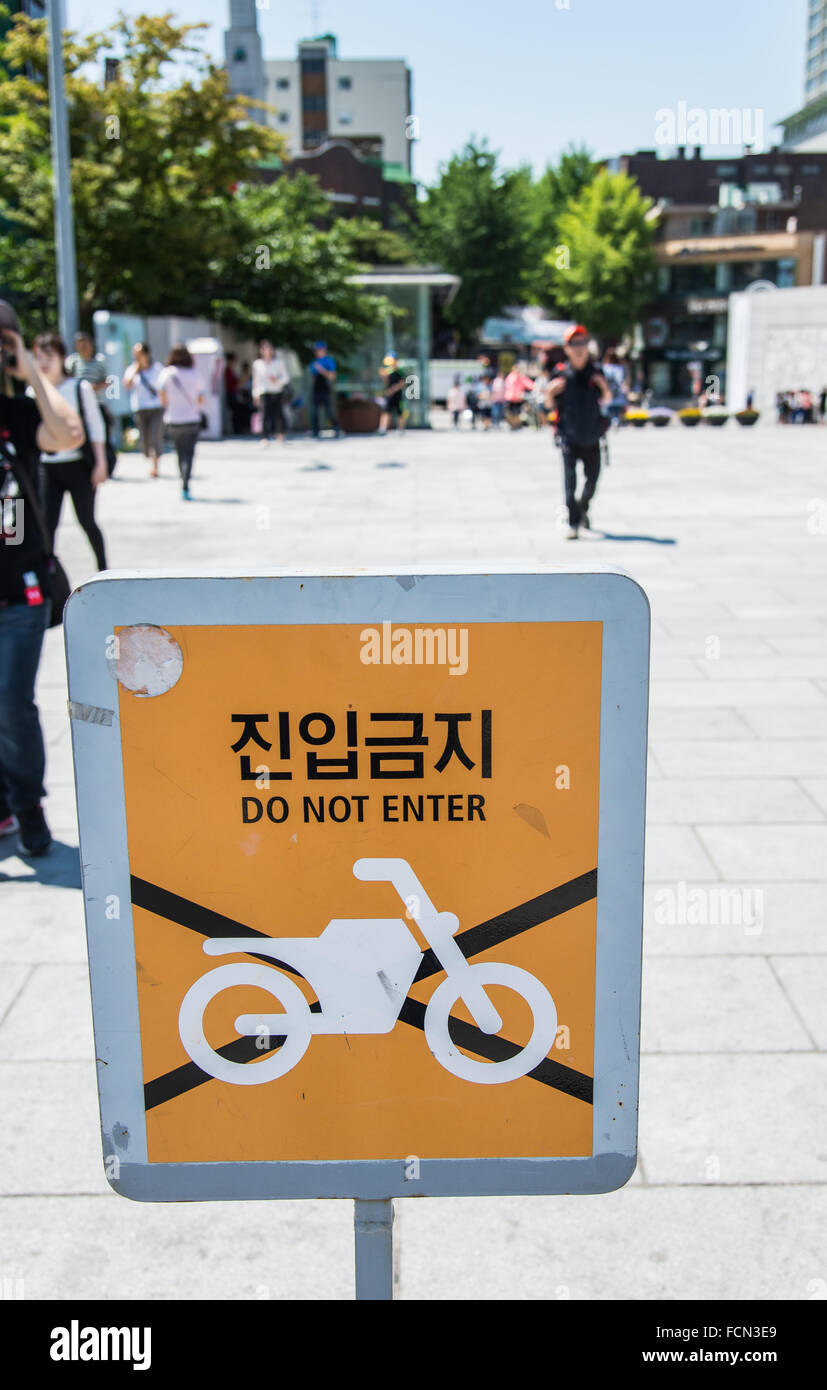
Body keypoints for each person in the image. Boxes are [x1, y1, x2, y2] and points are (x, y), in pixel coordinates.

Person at [0, 300, 83, 856]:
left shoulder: (20, 413)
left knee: (11, 701)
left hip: (18, 586)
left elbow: (67, 433)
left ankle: (27, 805)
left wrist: (27, 368)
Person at [31, 333, 108, 570]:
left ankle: (103, 569)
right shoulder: (32, 392)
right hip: (47, 467)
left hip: (78, 466)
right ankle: (49, 573)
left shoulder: (78, 388)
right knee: (47, 524)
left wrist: (100, 463)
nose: (43, 363)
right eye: (38, 357)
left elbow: (95, 426)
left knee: (86, 520)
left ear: (62, 358)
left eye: (49, 357)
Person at [545, 324, 612, 540]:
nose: (579, 348)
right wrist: (550, 392)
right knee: (570, 482)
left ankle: (583, 507)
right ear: (567, 348)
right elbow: (548, 405)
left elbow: (609, 400)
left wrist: (603, 387)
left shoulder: (596, 372)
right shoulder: (561, 374)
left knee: (592, 479)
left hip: (592, 435)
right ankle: (573, 522)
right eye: (574, 344)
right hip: (569, 436)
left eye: (582, 342)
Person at [157, 343, 205, 500]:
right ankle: (186, 481)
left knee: (179, 452)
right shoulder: (194, 373)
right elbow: (201, 397)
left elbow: (162, 397)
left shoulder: (167, 373)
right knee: (189, 454)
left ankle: (182, 480)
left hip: (174, 419)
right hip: (192, 418)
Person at [123, 342, 164, 477]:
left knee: (154, 436)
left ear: (147, 354)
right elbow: (127, 384)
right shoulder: (132, 369)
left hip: (156, 407)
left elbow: (163, 387)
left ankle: (155, 466)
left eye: (139, 354)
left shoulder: (157, 369)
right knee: (145, 440)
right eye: (135, 354)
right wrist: (137, 368)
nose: (137, 356)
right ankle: (149, 457)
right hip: (140, 408)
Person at [252, 340, 290, 445]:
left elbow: (286, 378)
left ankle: (280, 434)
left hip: (277, 391)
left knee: (278, 414)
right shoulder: (257, 364)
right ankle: (264, 437)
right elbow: (256, 380)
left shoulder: (278, 363)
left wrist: (277, 380)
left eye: (269, 348)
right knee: (264, 415)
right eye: (265, 349)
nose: (267, 351)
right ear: (261, 351)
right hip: (264, 391)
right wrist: (255, 394)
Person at [310, 342, 341, 438]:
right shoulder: (314, 362)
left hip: (326, 388)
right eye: (316, 350)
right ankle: (315, 431)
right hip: (316, 389)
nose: (318, 352)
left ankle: (336, 429)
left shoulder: (329, 361)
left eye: (320, 349)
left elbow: (332, 376)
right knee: (314, 411)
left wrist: (321, 370)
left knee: (329, 411)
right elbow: (312, 377)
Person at [378, 354, 407, 435]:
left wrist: (393, 389)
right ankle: (382, 429)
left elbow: (402, 383)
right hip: (389, 396)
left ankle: (401, 429)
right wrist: (383, 376)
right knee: (386, 412)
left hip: (398, 395)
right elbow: (386, 383)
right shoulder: (388, 371)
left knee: (400, 413)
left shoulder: (399, 371)